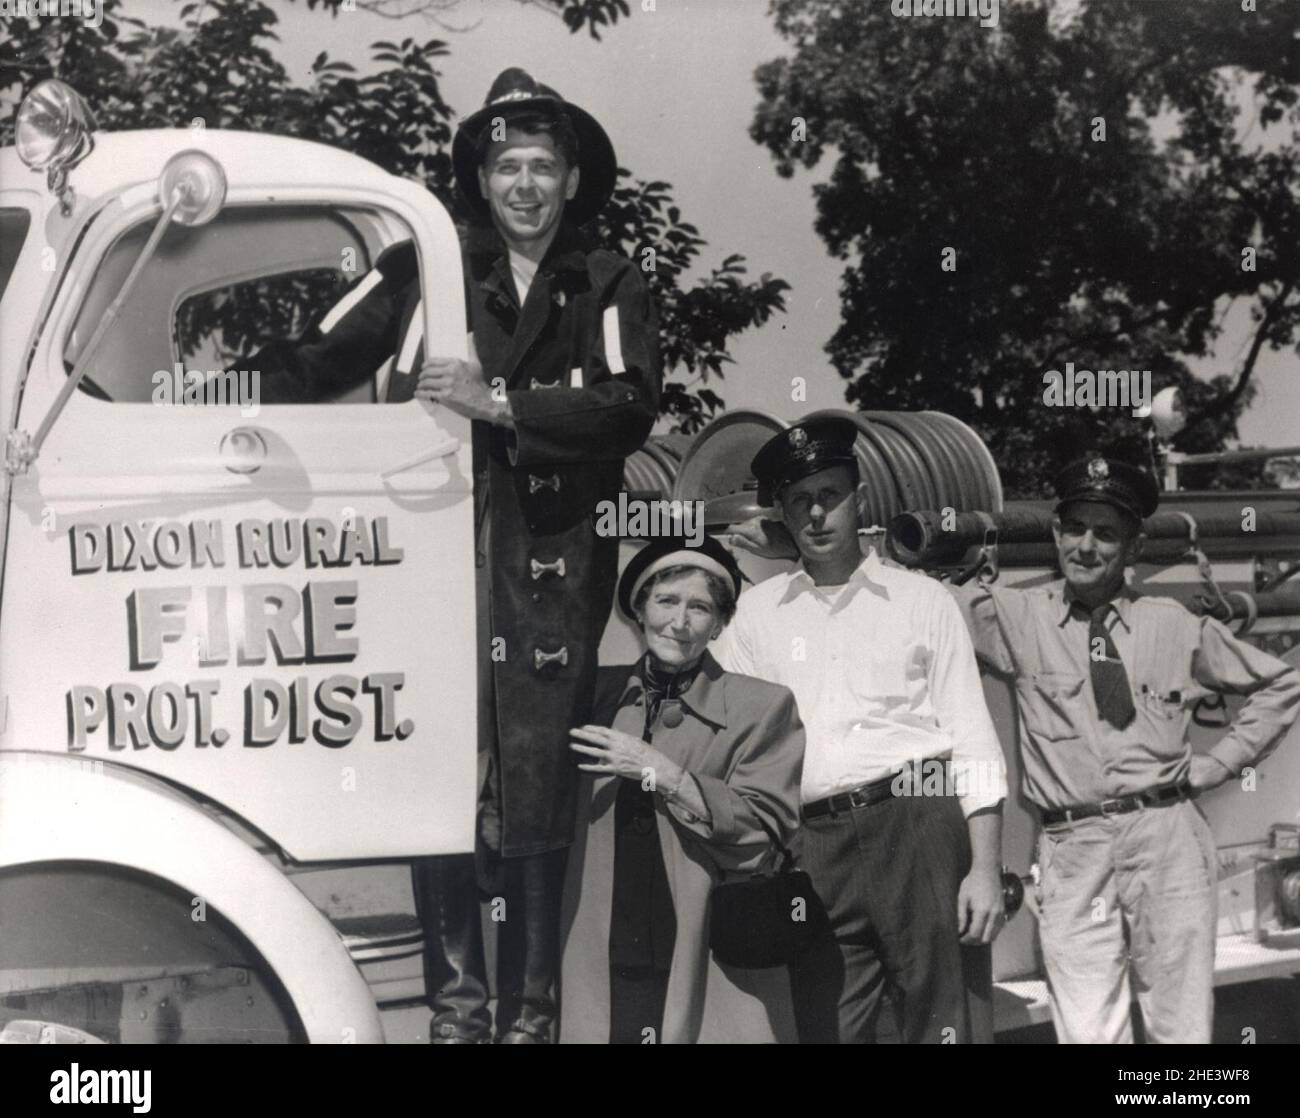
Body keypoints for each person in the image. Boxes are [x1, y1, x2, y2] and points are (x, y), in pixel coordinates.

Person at [244, 67, 661, 1043]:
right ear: (478, 175)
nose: (523, 183)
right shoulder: (426, 268)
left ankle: (532, 1014)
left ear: (569, 181)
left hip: (553, 552)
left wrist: (501, 405)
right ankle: (456, 1012)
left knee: (534, 770)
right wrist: (197, 403)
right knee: (443, 766)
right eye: (506, 163)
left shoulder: (606, 278)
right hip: (442, 550)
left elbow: (628, 403)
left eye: (542, 166)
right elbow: (316, 358)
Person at [954, 456, 1300, 1043]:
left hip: (1167, 841)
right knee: (1089, 1032)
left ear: (1131, 547)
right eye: (1075, 529)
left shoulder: (1173, 623)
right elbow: (919, 609)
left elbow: (1282, 681)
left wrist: (1218, 763)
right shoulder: (1012, 616)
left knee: (1181, 1032)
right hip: (1073, 849)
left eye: (1107, 533)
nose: (1086, 546)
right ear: (1057, 535)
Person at [713, 418, 1008, 1044]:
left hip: (920, 826)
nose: (817, 514)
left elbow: (973, 739)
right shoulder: (755, 619)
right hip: (813, 849)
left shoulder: (922, 600)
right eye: (799, 501)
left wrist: (985, 867)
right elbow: (726, 733)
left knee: (944, 1022)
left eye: (830, 495)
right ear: (783, 517)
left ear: (860, 498)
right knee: (833, 1029)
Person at [558, 535, 804, 1043]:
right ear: (639, 610)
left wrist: (664, 772)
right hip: (600, 946)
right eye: (666, 601)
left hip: (703, 945)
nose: (680, 621)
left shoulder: (761, 707)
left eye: (700, 607)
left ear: (719, 623)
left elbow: (767, 835)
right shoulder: (591, 698)